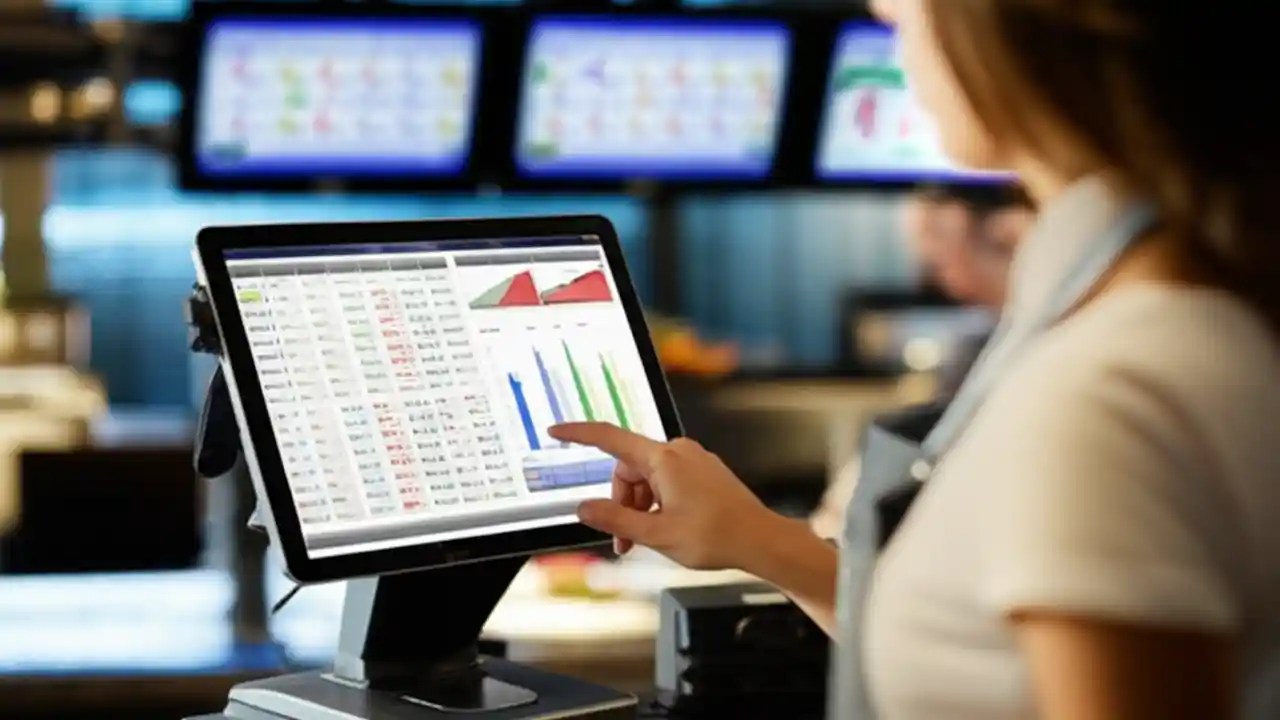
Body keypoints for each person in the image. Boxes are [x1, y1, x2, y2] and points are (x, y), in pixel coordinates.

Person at [553, 1, 1280, 718]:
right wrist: (754, 537)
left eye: (907, 9)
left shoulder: (1108, 388)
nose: (885, 21)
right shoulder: (1174, 312)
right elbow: (988, 654)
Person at [810, 182, 1034, 541]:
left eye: (940, 264)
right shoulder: (988, 342)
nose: (951, 287)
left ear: (1009, 232)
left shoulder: (1045, 343)